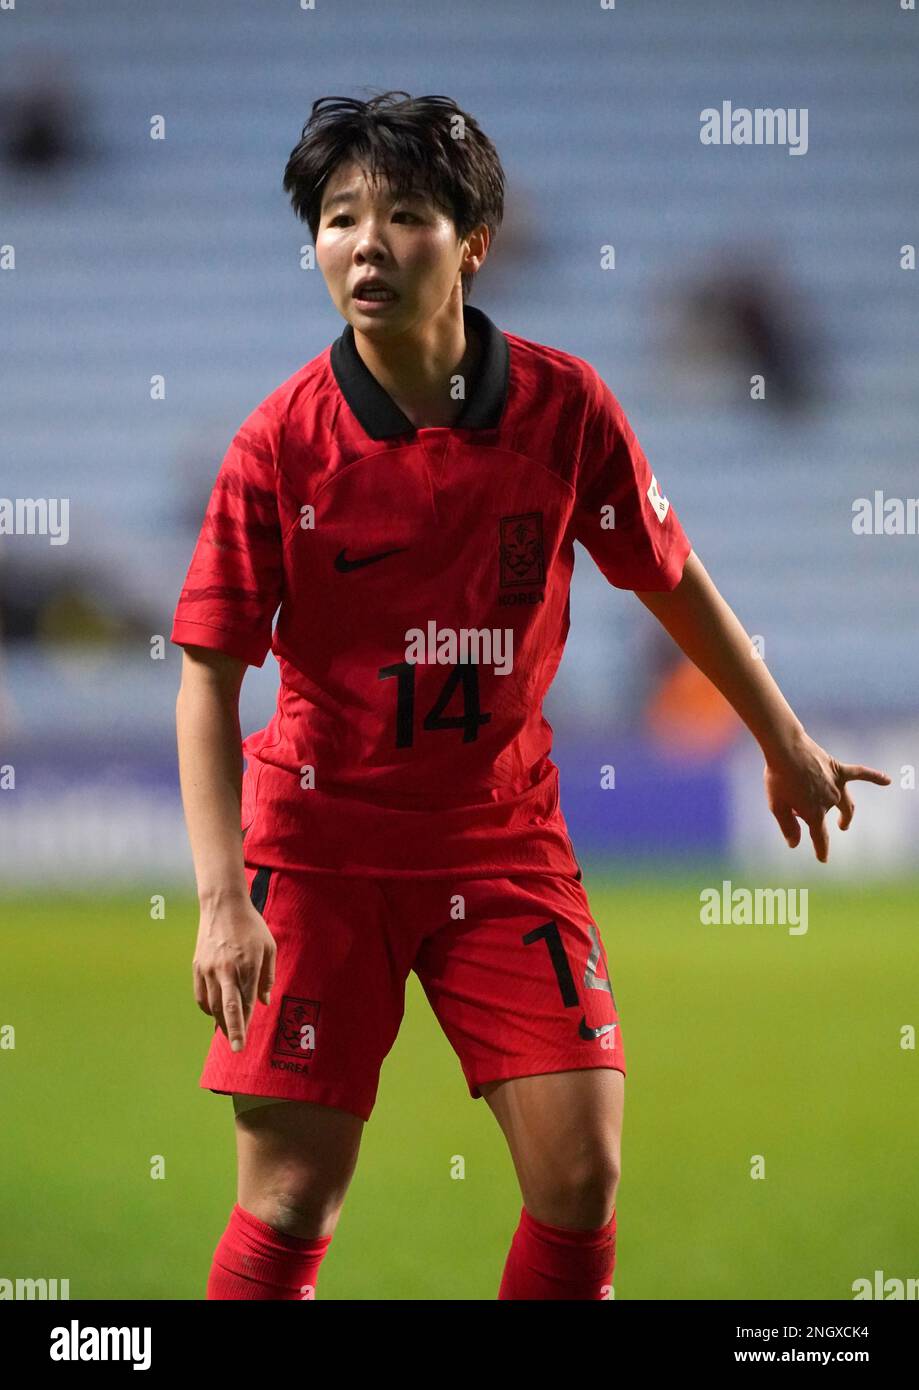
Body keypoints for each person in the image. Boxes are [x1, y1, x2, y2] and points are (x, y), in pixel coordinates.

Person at [171, 91, 890, 1301]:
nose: (367, 244)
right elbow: (206, 674)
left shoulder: (564, 411)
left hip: (500, 841)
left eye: (404, 214)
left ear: (472, 242)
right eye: (340, 217)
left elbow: (670, 576)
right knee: (290, 1199)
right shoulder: (278, 446)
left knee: (581, 1175)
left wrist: (782, 737)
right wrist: (220, 899)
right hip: (321, 847)